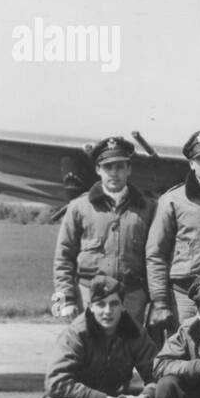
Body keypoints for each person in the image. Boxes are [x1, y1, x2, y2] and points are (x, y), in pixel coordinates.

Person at [52, 135, 156, 325]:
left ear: (129, 169)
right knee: (86, 351)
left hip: (132, 298)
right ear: (98, 170)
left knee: (129, 352)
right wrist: (62, 301)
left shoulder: (147, 208)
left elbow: (156, 258)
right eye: (108, 167)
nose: (113, 173)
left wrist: (158, 301)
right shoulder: (78, 207)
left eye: (119, 166)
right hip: (88, 295)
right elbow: (63, 258)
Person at [146, 129, 200, 339]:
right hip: (184, 294)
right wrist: (160, 301)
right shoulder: (172, 201)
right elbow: (156, 254)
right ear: (192, 164)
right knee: (186, 347)